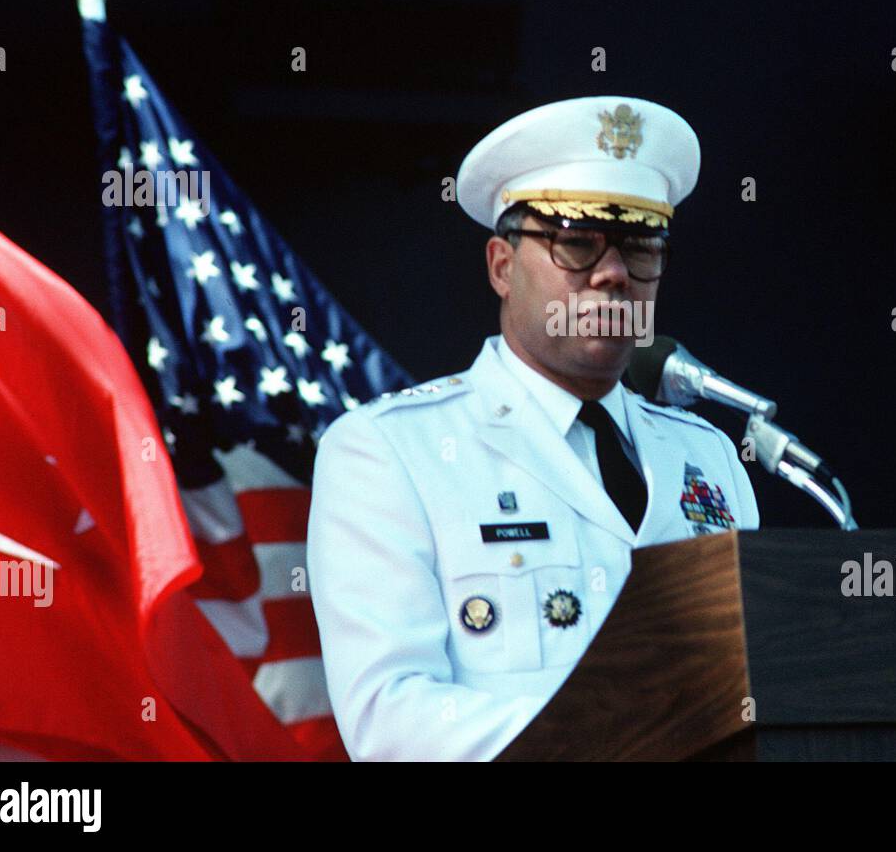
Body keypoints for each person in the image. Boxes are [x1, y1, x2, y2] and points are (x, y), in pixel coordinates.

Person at [307, 96, 759, 761]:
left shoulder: (709, 455)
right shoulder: (388, 450)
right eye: (576, 242)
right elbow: (391, 716)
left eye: (640, 247)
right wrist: (629, 742)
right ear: (501, 265)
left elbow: (765, 682)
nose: (612, 274)